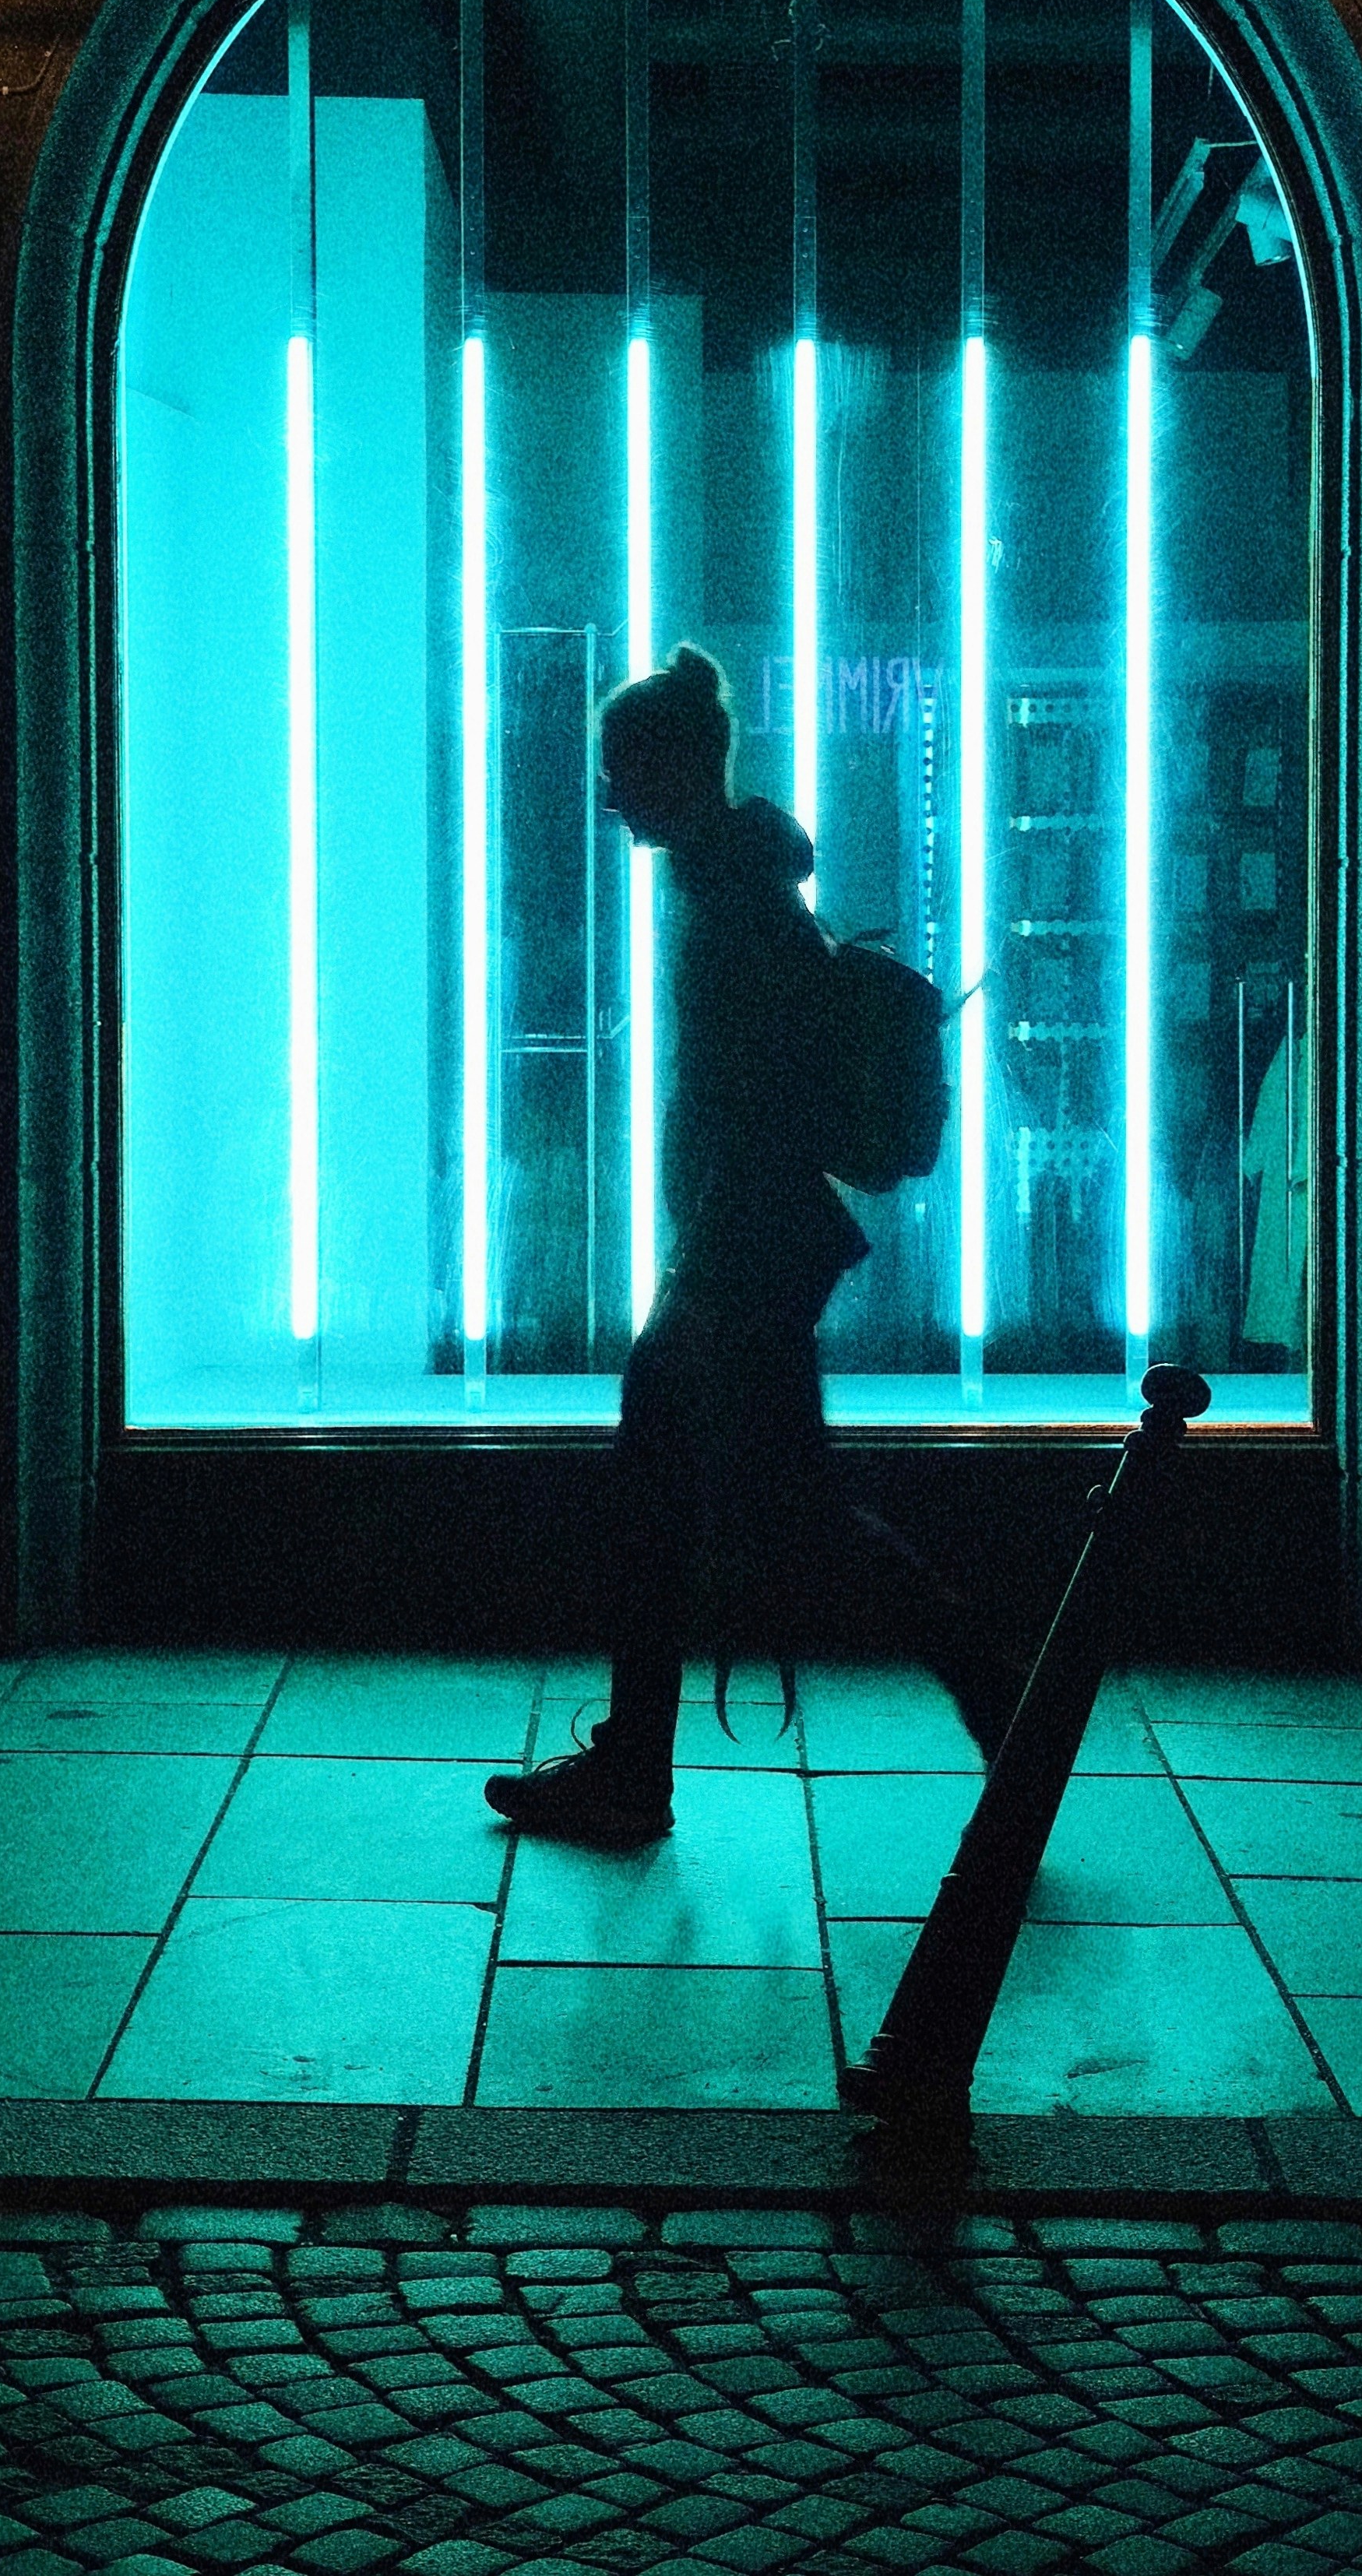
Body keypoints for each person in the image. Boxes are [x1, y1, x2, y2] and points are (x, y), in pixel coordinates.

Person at [485, 643, 1022, 1845]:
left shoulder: (734, 912)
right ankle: (644, 1760)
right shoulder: (743, 892)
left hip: (741, 1254)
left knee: (763, 1501)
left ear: (673, 769)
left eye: (621, 771)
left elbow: (744, 1100)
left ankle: (987, 1687)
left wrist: (703, 1242)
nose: (609, 796)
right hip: (750, 1247)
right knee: (739, 1493)